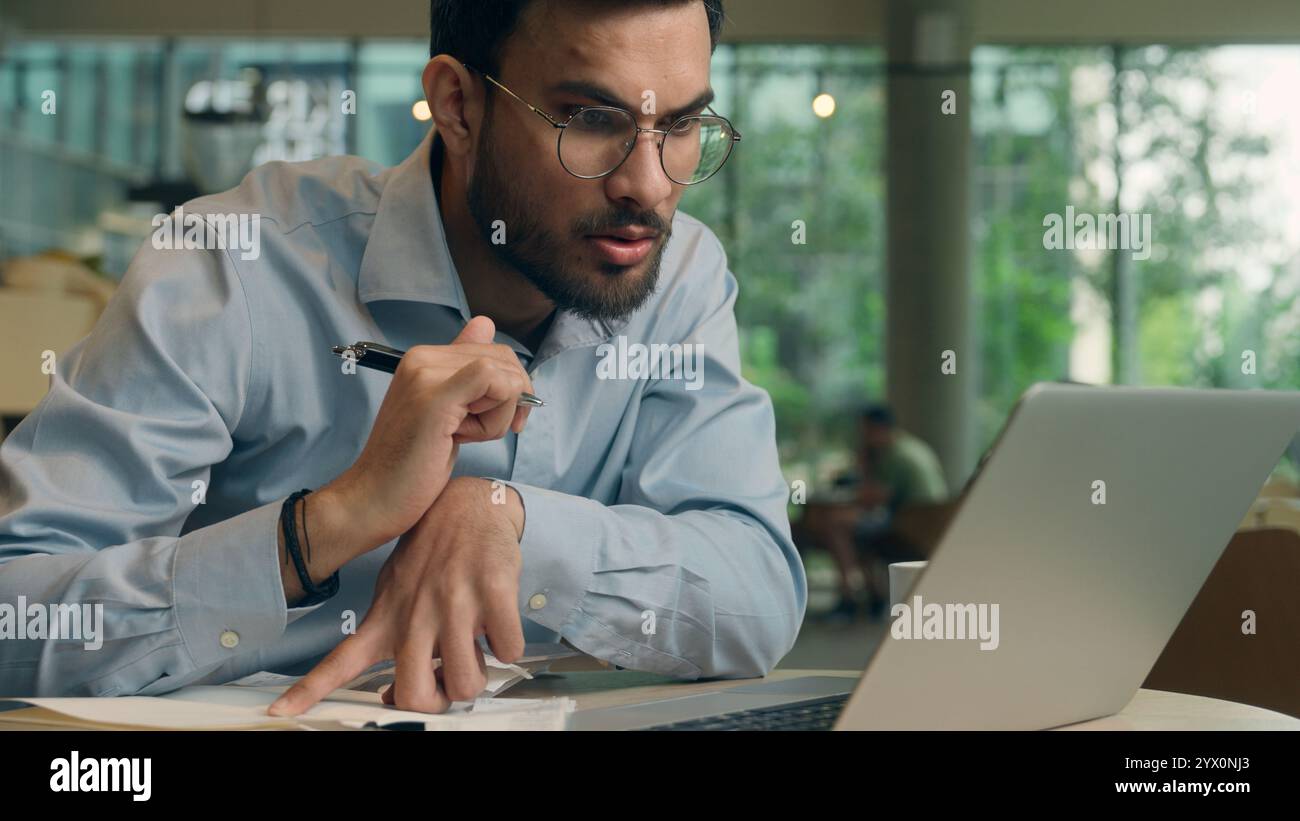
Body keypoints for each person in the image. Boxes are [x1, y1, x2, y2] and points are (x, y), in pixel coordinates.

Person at [0, 0, 807, 714]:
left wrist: (513, 522)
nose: (649, 184)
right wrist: (326, 525)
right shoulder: (233, 265)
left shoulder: (681, 273)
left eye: (679, 125)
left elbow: (759, 593)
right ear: (458, 105)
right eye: (591, 120)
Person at [804, 404, 947, 620]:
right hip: (928, 524)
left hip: (911, 528)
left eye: (865, 432)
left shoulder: (898, 454)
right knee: (854, 530)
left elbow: (872, 497)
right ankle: (873, 595)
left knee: (836, 526)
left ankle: (849, 595)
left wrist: (863, 464)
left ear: (877, 429)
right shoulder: (909, 446)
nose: (864, 437)